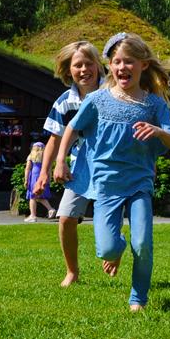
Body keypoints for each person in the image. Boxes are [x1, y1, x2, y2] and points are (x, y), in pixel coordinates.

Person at [57, 33, 170, 311]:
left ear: (144, 65)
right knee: (108, 249)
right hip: (106, 185)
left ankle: (138, 298)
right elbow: (72, 128)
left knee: (143, 243)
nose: (123, 67)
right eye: (117, 62)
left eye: (130, 61)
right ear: (109, 66)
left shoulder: (154, 105)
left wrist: (158, 131)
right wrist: (61, 161)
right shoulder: (98, 100)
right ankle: (117, 247)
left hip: (139, 183)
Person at [33, 40, 103, 286]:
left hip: (111, 165)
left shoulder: (114, 93)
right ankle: (72, 271)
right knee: (65, 218)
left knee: (112, 221)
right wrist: (44, 173)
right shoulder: (64, 102)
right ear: (68, 70)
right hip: (79, 167)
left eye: (89, 64)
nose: (84, 70)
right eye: (78, 65)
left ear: (99, 66)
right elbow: (54, 138)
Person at [23, 142, 57, 222]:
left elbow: (27, 169)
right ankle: (50, 209)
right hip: (42, 176)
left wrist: (26, 180)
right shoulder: (46, 157)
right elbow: (49, 169)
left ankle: (33, 215)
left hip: (34, 177)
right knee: (39, 197)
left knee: (32, 197)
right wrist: (49, 179)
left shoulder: (31, 156)